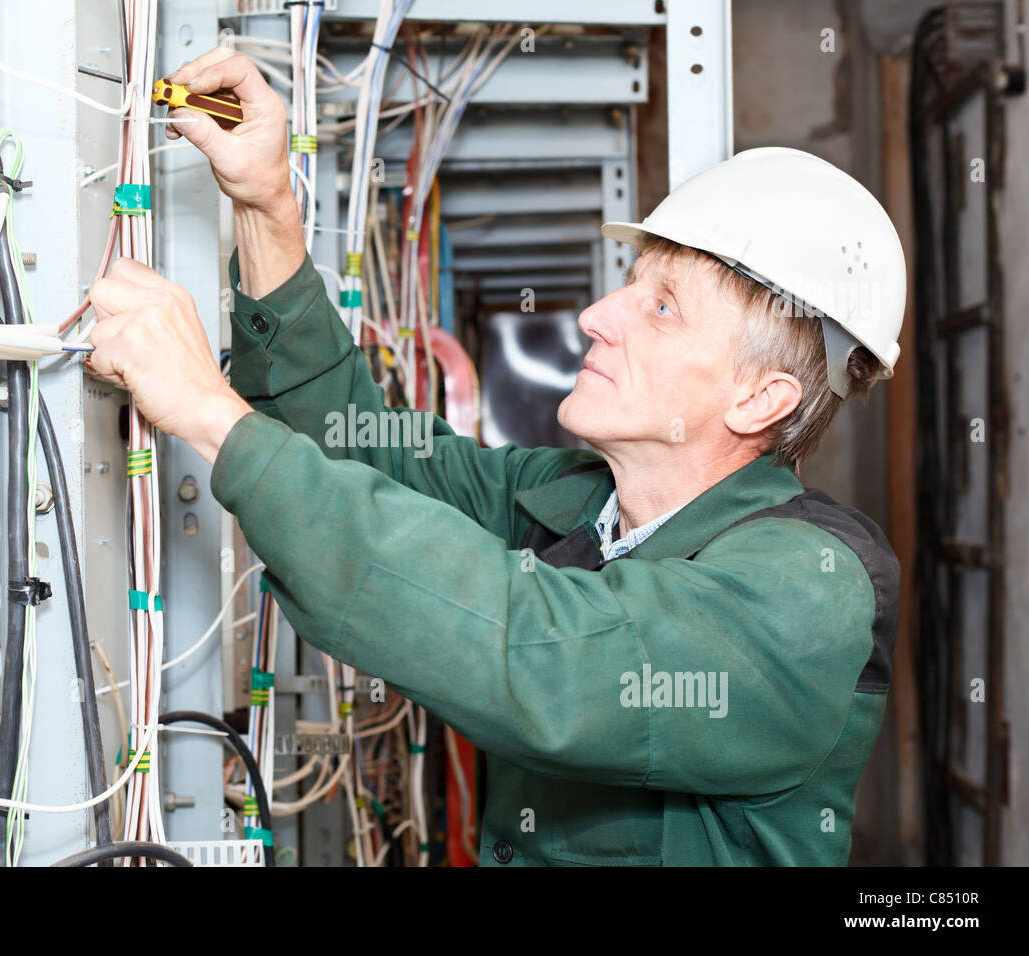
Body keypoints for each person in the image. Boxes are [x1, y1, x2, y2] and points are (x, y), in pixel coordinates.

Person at [87, 48, 905, 866]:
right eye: (631, 282)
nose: (595, 314)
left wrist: (208, 410)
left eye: (662, 308)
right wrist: (266, 206)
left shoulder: (809, 590)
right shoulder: (573, 501)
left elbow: (546, 660)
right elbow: (358, 451)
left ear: (759, 398)